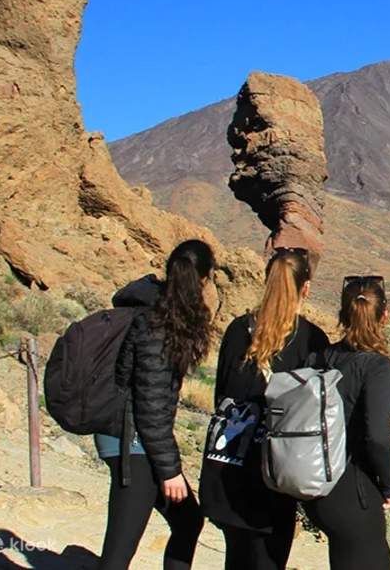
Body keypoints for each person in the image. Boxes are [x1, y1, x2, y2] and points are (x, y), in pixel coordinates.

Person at [200, 248, 329, 570]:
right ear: (306, 287)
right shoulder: (311, 339)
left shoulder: (237, 329)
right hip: (276, 476)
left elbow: (222, 395)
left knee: (236, 560)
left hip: (228, 467)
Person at [95, 240, 213, 570]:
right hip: (131, 441)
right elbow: (150, 404)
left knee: (188, 522)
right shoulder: (157, 326)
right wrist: (170, 470)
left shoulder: (156, 314)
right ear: (202, 279)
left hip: (133, 438)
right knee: (119, 551)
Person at [302, 275, 390, 569]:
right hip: (353, 488)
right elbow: (377, 436)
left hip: (317, 485)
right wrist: (389, 486)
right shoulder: (377, 367)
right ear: (384, 316)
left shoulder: (319, 357)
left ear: (343, 314)